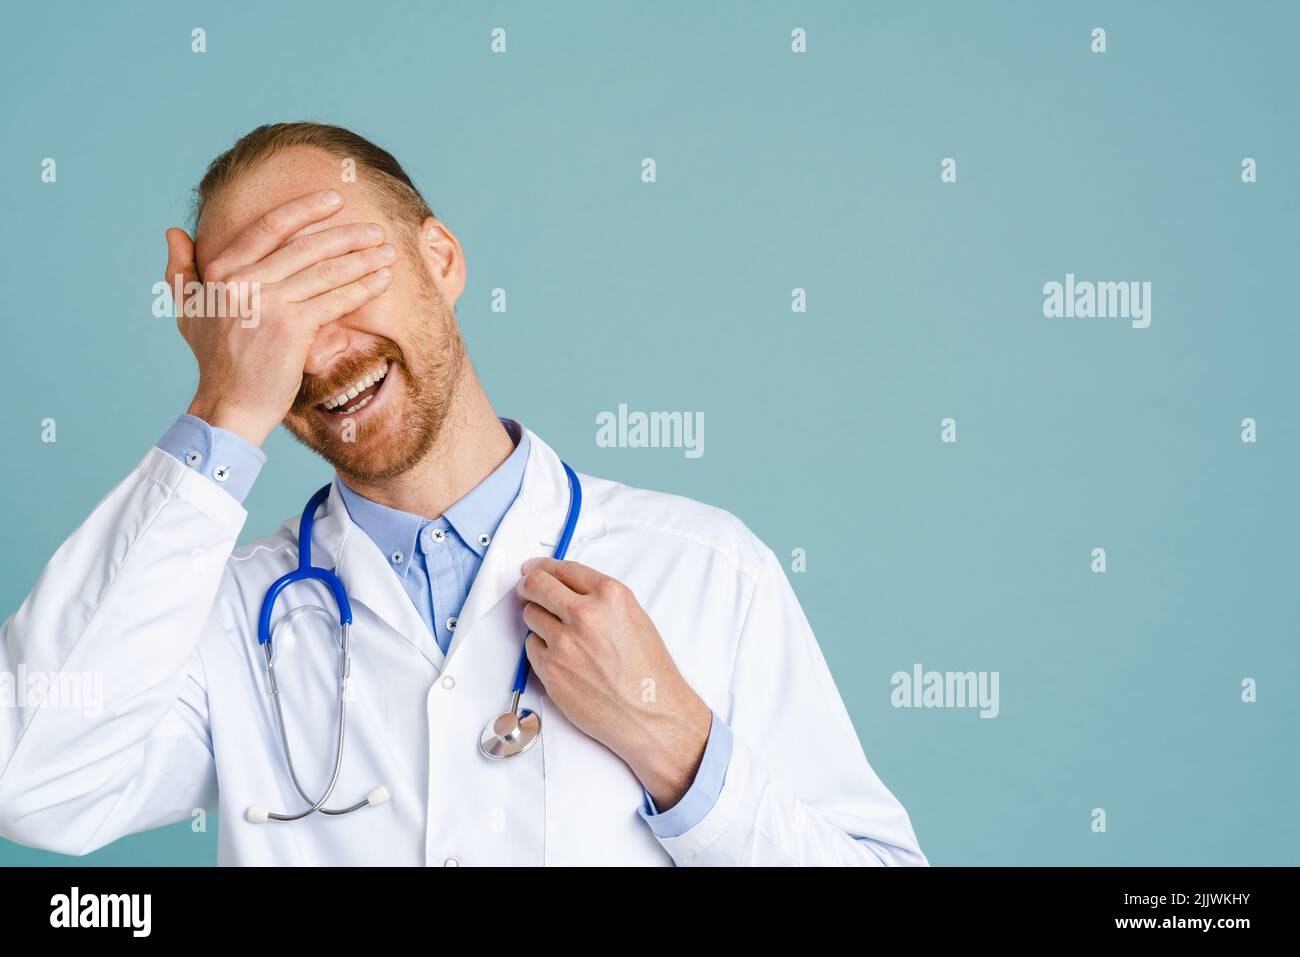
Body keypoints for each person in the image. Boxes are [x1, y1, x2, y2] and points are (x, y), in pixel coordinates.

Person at [0, 122, 926, 866]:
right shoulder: (217, 620)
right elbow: (29, 782)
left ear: (440, 257)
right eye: (266, 321)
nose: (321, 353)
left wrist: (678, 744)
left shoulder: (709, 569)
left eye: (338, 278)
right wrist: (223, 408)